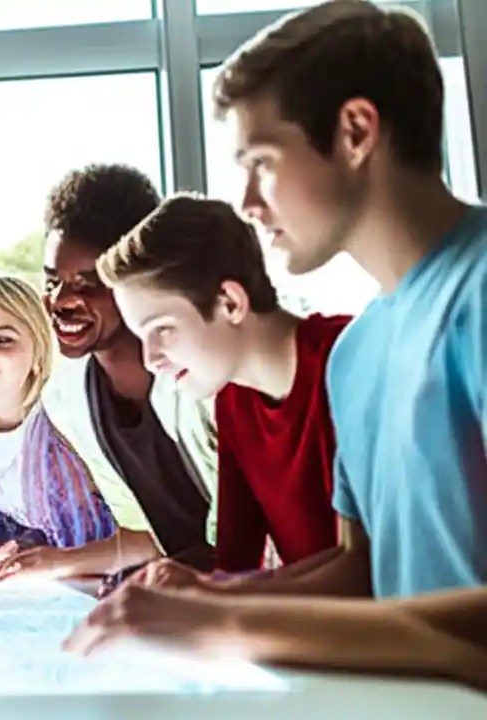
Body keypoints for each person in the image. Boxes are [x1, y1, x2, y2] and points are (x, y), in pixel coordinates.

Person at [67, 0, 487, 690]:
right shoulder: (356, 355)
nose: (250, 202)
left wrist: (225, 625)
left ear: (355, 131)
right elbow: (362, 571)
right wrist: (211, 599)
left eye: (260, 161)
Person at [96, 194, 346, 575]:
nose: (151, 359)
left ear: (230, 302)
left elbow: (371, 568)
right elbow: (235, 563)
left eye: (162, 329)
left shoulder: (346, 361)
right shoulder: (232, 402)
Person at [27, 164, 218, 582]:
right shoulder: (67, 400)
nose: (61, 301)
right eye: (52, 281)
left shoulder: (206, 380)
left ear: (136, 279)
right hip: (190, 602)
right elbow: (145, 534)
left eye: (87, 283)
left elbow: (253, 538)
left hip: (265, 597)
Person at [0, 276, 117, 575]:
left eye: (3, 339)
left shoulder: (68, 419)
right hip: (33, 592)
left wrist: (53, 562)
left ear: (38, 353)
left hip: (105, 587)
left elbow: (141, 537)